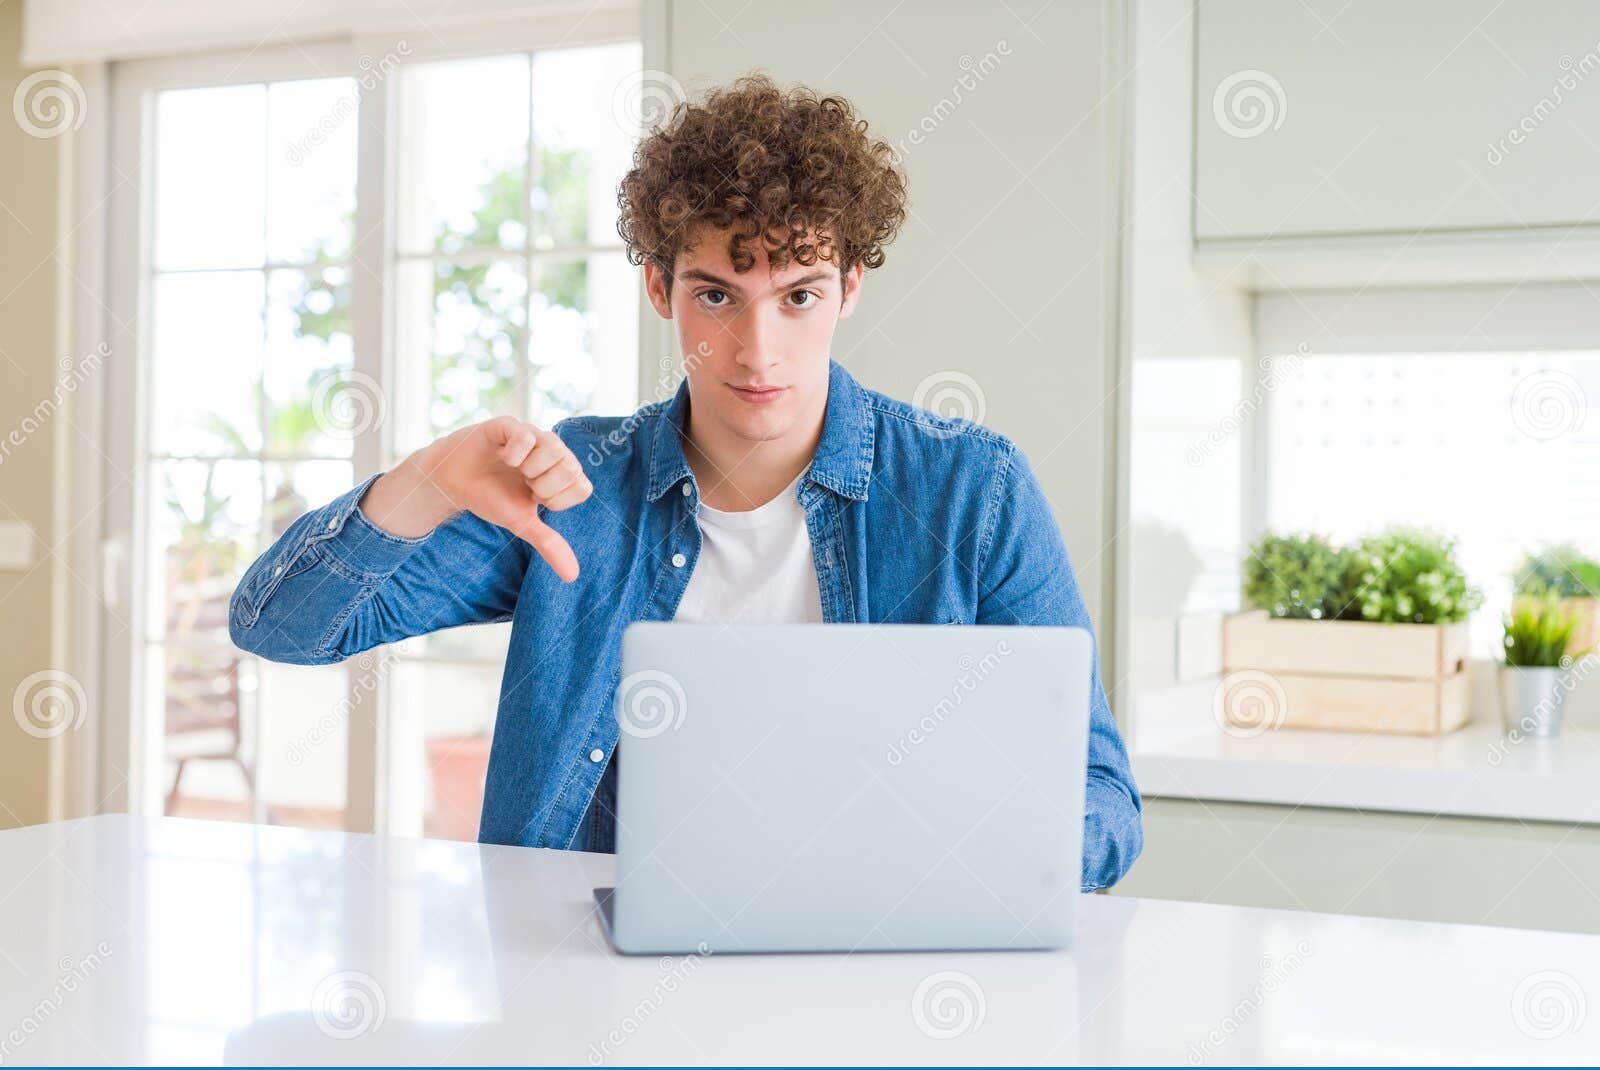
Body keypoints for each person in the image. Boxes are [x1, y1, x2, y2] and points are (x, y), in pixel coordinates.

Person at [228, 72, 1143, 890]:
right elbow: (278, 625)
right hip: (591, 996)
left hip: (880, 984)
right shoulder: (574, 485)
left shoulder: (972, 490)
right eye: (716, 295)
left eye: (799, 295)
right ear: (660, 289)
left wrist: (957, 856)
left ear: (851, 286)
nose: (756, 351)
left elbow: (1101, 800)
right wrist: (425, 480)